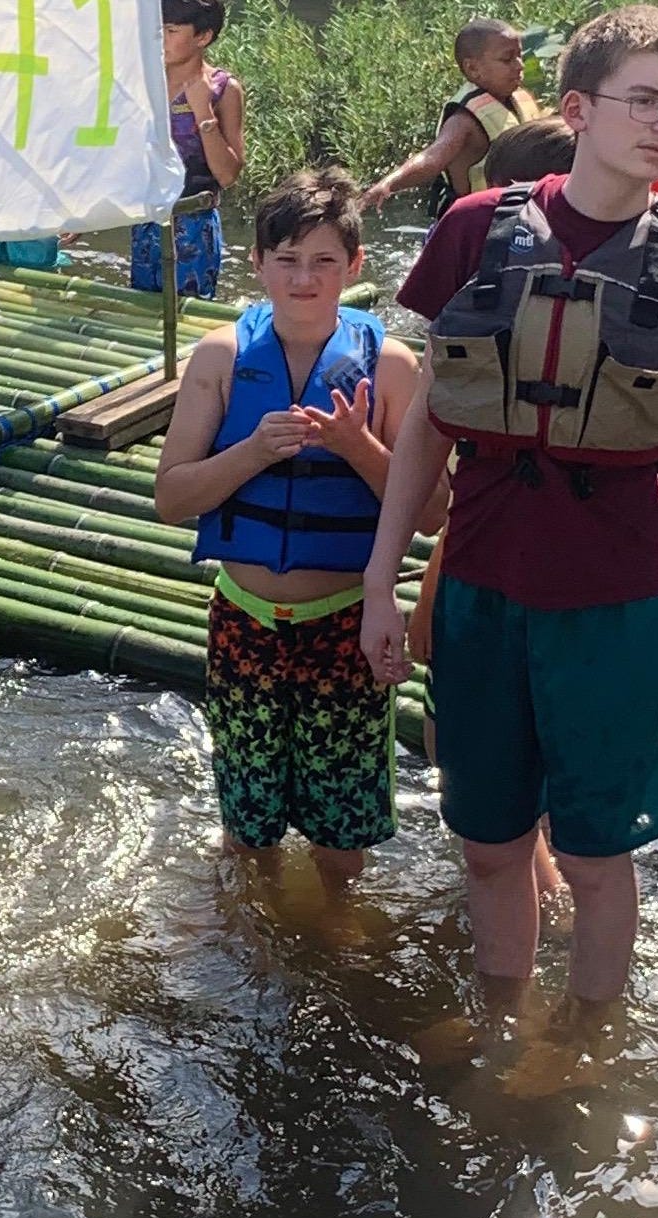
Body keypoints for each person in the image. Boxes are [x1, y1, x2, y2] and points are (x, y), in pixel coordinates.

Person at [359, 6, 658, 1015]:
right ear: (574, 108)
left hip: (611, 603)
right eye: (643, 102)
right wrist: (379, 582)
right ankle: (503, 1019)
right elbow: (425, 426)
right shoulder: (472, 229)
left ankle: (584, 1047)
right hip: (481, 590)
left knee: (593, 853)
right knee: (488, 843)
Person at [155, 168, 423, 883]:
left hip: (344, 625)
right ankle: (251, 949)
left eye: (324, 262)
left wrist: (357, 447)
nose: (304, 279)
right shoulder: (219, 357)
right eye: (287, 261)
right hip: (243, 621)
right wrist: (249, 451)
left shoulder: (391, 367)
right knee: (248, 829)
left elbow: (433, 509)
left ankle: (334, 941)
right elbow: (171, 499)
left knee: (342, 839)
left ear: (354, 267)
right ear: (257, 264)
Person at [408, 112, 578, 904]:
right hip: (541, 560)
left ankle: (535, 879)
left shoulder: (501, 279)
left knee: (491, 770)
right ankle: (539, 877)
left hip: (501, 552)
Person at [362, 19, 541, 216]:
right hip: (475, 224)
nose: (520, 65)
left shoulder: (519, 100)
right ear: (473, 69)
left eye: (519, 55)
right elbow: (431, 158)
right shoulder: (464, 121)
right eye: (507, 59)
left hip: (518, 216)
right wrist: (388, 184)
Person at [133, 0, 246, 299]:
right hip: (148, 218)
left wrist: (203, 113)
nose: (160, 38)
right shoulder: (143, 80)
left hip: (195, 222)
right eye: (156, 29)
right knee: (141, 312)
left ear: (203, 37)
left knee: (188, 315)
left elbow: (227, 175)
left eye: (170, 30)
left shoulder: (224, 89)